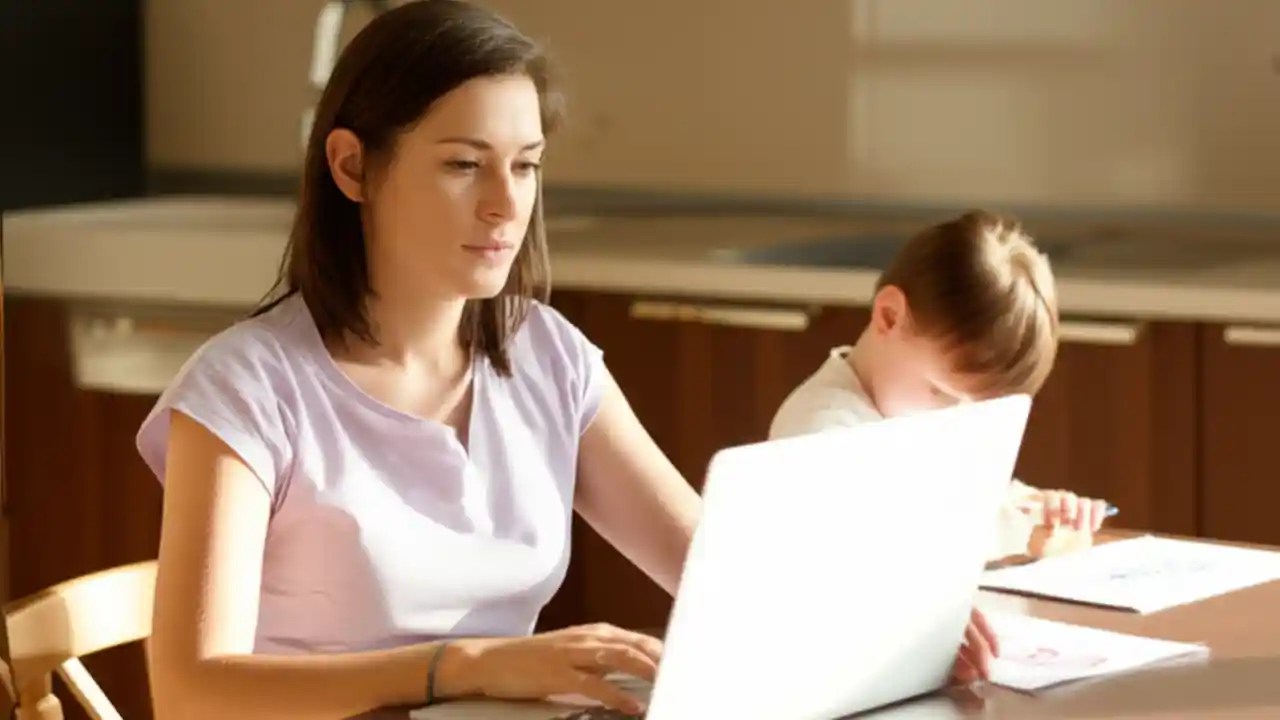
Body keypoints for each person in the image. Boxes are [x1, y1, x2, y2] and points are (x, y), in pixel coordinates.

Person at [135, 3, 998, 718]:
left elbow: (715, 564)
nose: (506, 204)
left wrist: (898, 615)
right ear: (353, 167)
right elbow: (189, 690)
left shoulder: (546, 358)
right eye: (464, 165)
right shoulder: (246, 390)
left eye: (526, 165)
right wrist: (468, 663)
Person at [770, 210, 1114, 560]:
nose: (959, 417)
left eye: (979, 409)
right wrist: (1014, 530)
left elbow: (962, 494)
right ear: (889, 316)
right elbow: (886, 545)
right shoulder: (821, 434)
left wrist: (1039, 512)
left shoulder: (917, 414)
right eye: (940, 392)